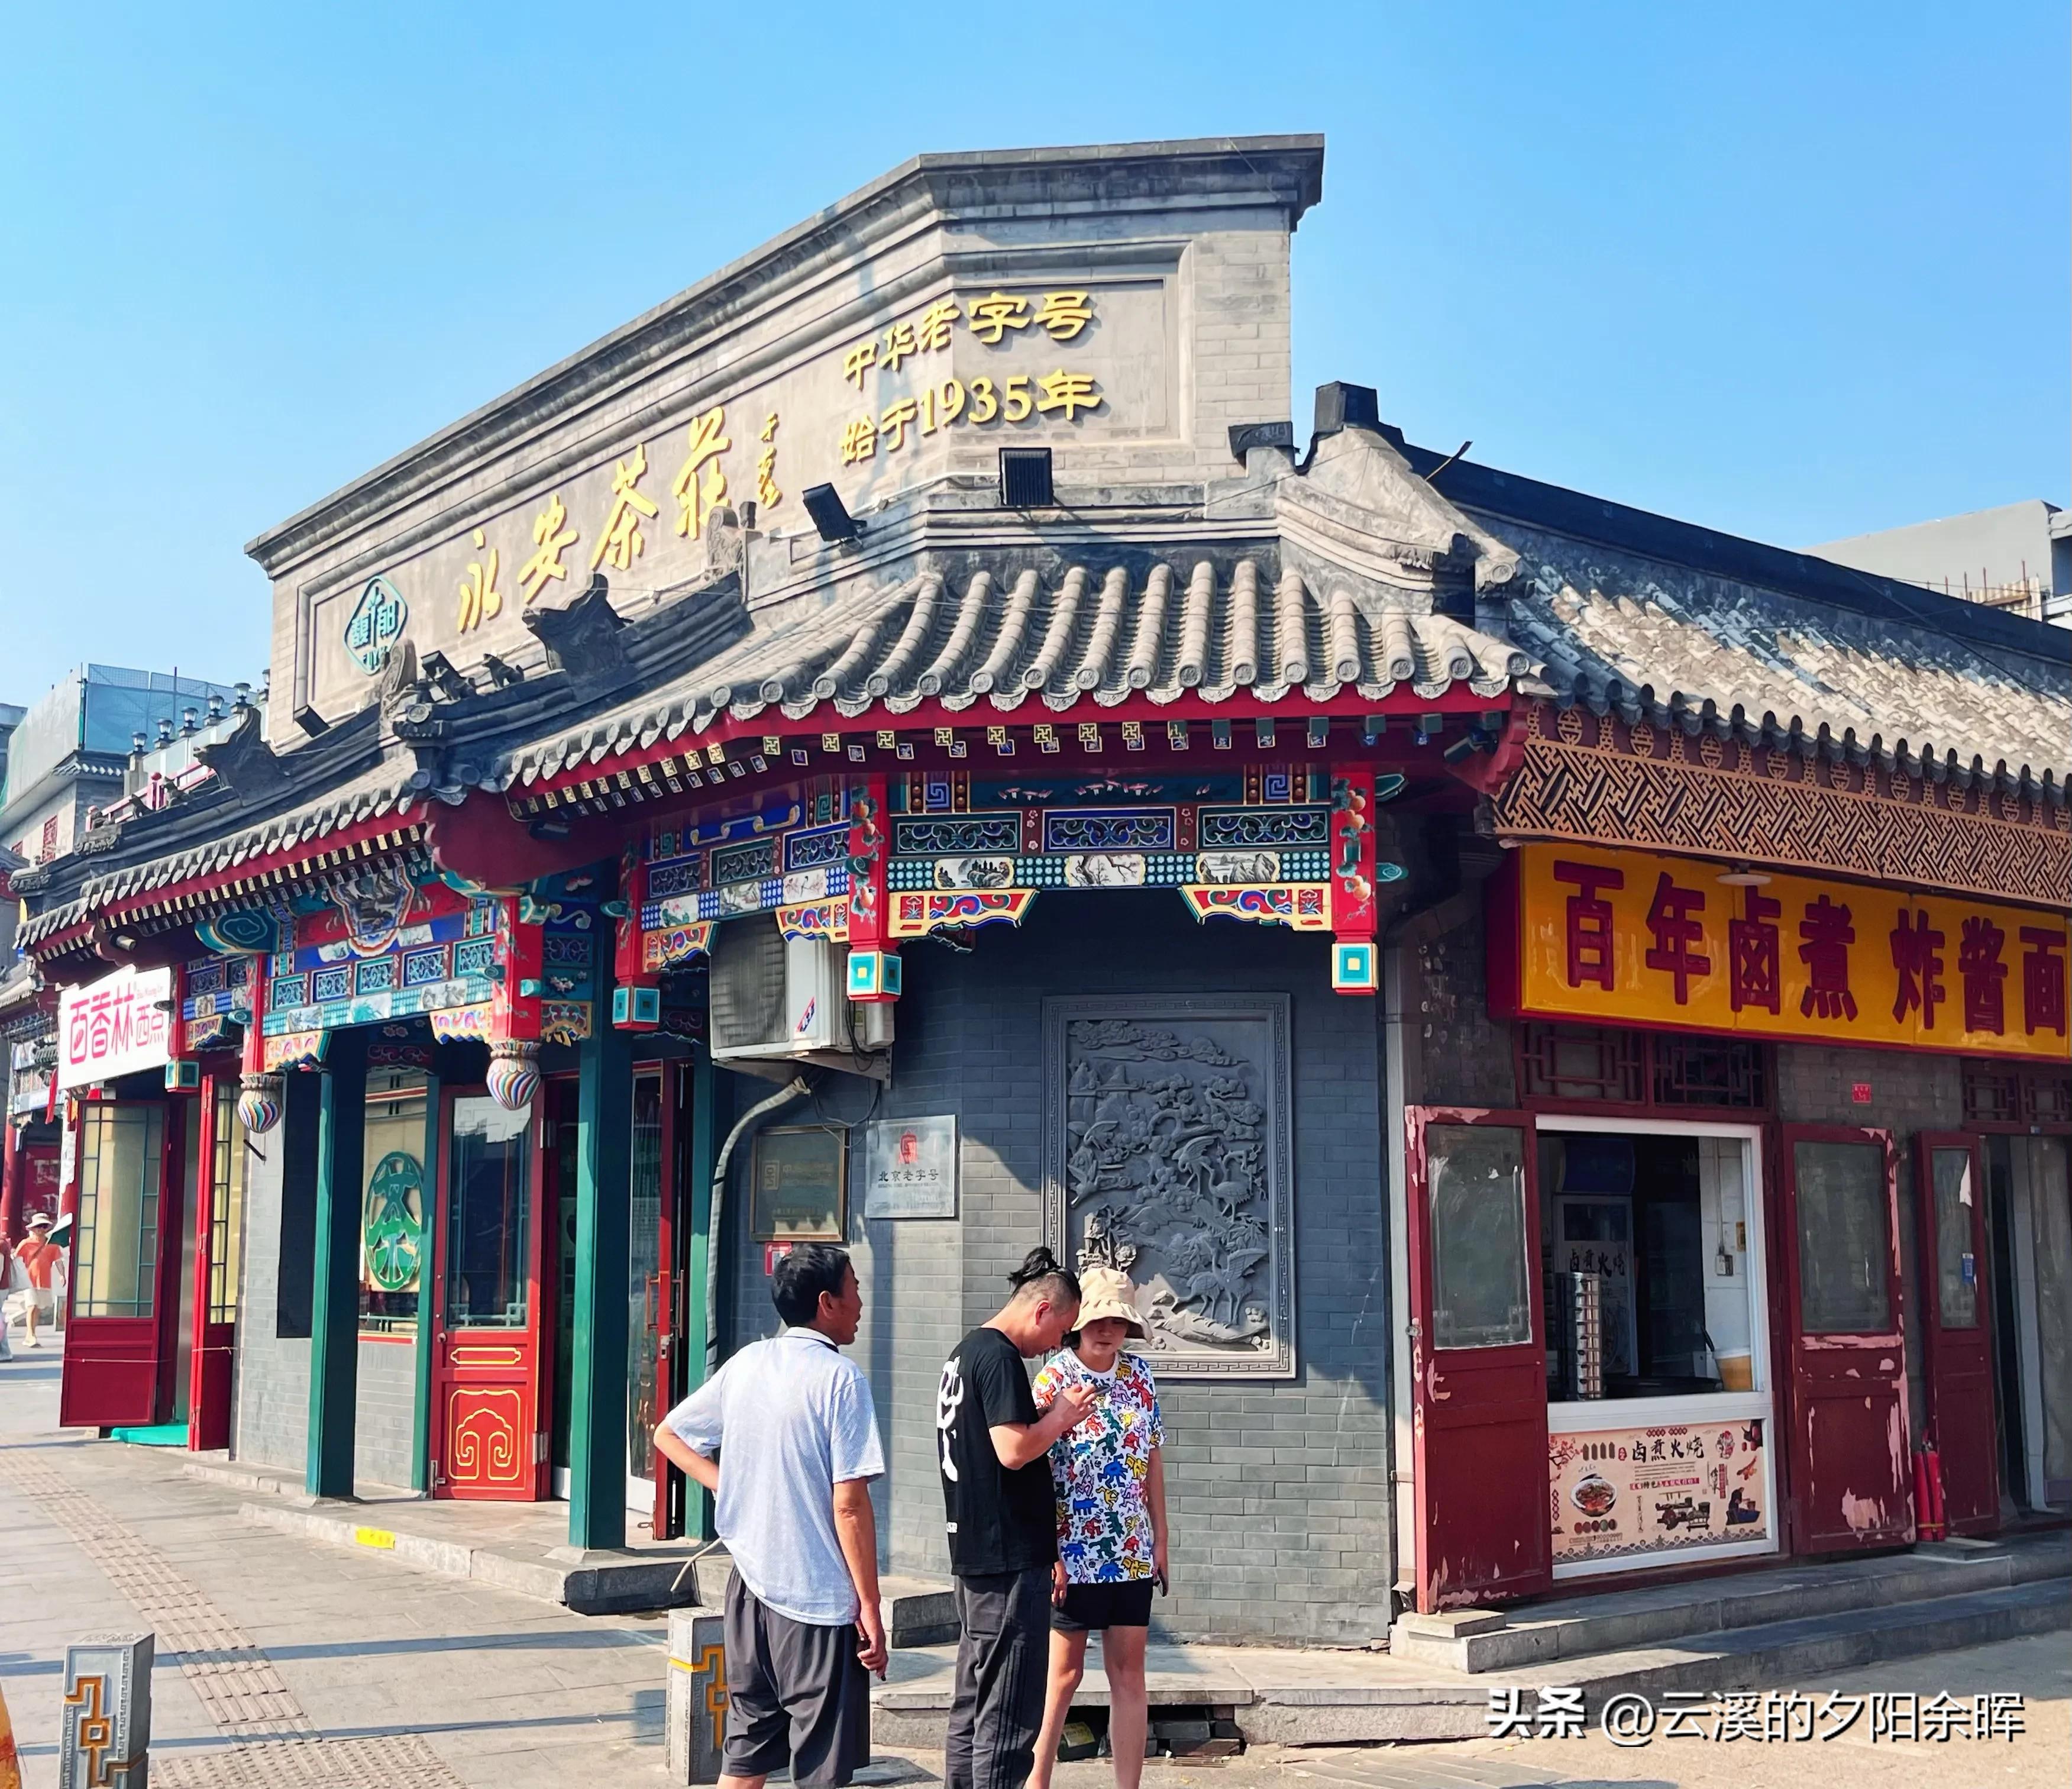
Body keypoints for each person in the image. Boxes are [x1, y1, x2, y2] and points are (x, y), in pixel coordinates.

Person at [653, 1243, 886, 1789]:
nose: (861, 1302)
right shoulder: (840, 1379)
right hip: (816, 1600)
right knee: (820, 1763)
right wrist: (871, 1605)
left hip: (749, 1590)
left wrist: (726, 1482)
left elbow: (669, 1433)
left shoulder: (749, 1362)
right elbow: (849, 1505)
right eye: (855, 1289)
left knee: (747, 1749)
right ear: (827, 1303)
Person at [937, 1247, 1095, 1789]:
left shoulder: (963, 1353)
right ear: (1043, 1309)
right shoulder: (999, 1355)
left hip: (976, 1554)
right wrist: (1061, 1415)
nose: (1055, 1347)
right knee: (1006, 1712)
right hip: (1004, 1558)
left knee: (974, 1700)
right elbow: (1012, 1449)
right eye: (1061, 1331)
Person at [1027, 1268, 1167, 1789]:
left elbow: (1152, 1459)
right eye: (1096, 1319)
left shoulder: (1139, 1377)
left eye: (1116, 1320)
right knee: (1063, 1674)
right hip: (1072, 1550)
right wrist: (1049, 1549)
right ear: (1077, 1323)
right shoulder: (1053, 1380)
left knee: (1129, 1675)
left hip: (1130, 1548)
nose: (1106, 1330)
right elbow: (1034, 1469)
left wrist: (1161, 1540)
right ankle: (1035, 1780)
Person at [12, 1216, 60, 1350]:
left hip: (44, 1280)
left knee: (38, 1308)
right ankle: (31, 1334)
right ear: (33, 1228)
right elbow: (15, 1259)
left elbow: (58, 1261)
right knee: (32, 1306)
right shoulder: (26, 1243)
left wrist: (62, 1275)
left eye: (44, 1226)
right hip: (29, 1279)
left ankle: (31, 1334)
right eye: (39, 1226)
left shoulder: (52, 1244)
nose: (41, 1230)